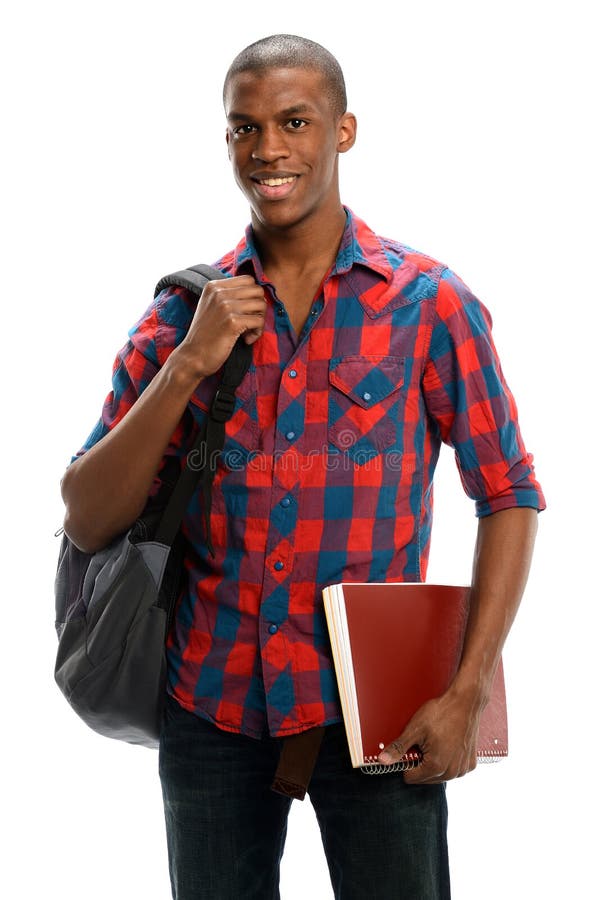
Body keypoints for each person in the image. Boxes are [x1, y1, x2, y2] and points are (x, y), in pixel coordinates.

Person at [61, 33, 545, 900]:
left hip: (383, 716)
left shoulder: (427, 302)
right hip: (212, 705)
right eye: (244, 129)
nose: (269, 150)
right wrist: (188, 366)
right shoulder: (182, 313)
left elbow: (508, 492)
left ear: (343, 130)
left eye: (294, 122)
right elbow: (88, 515)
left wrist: (467, 690)